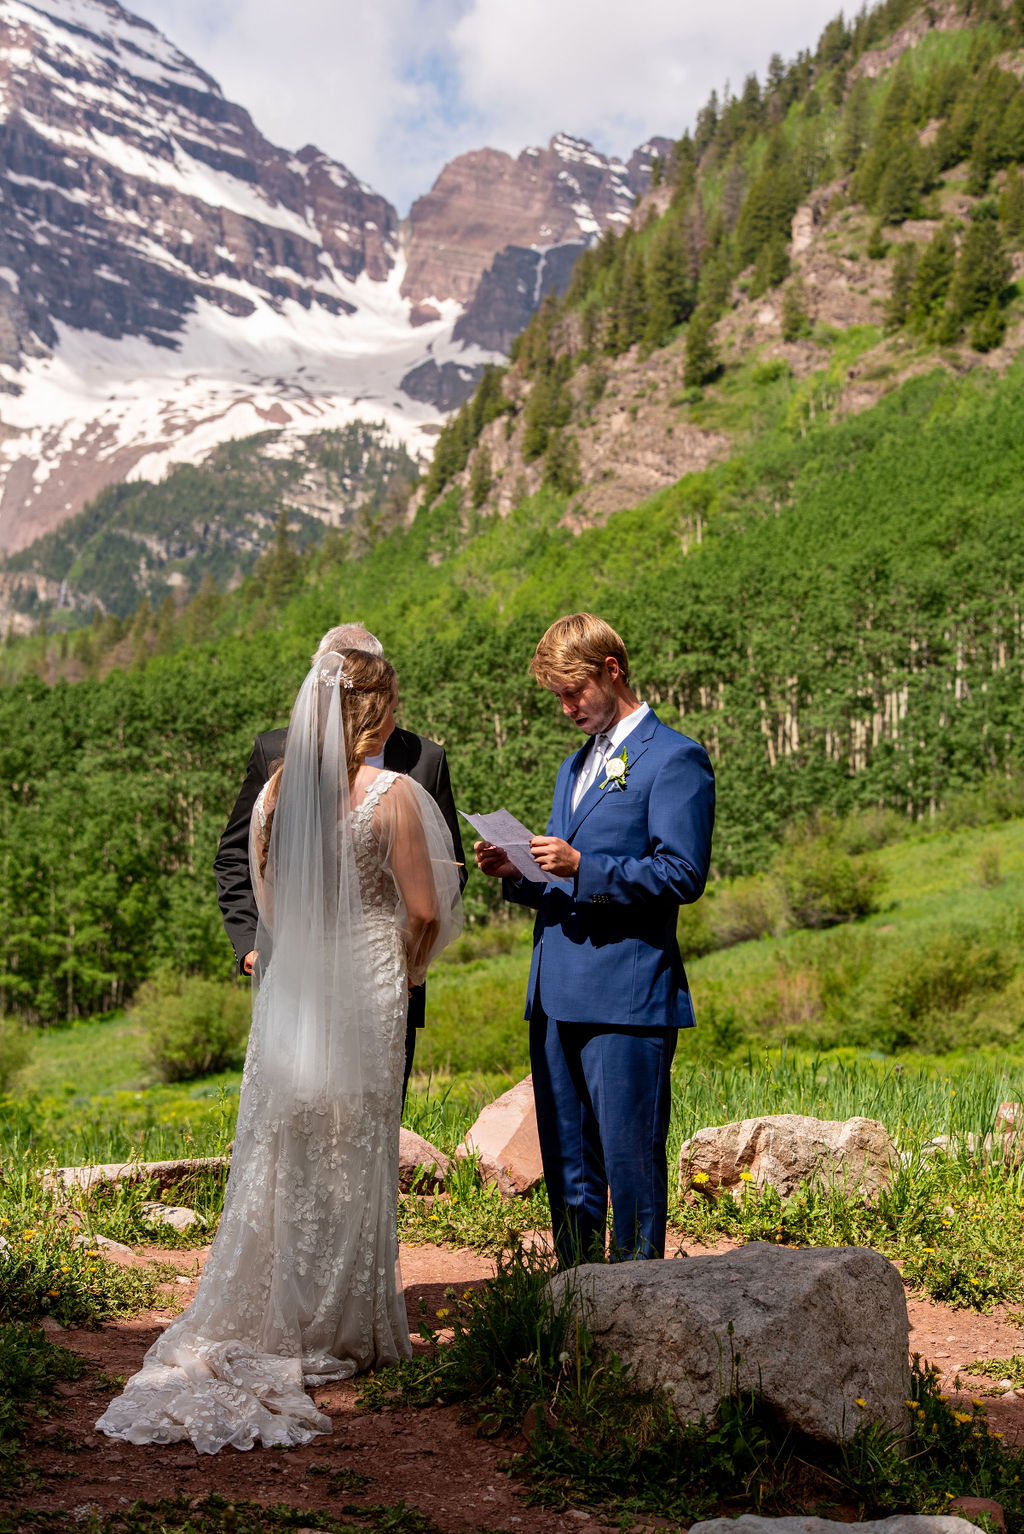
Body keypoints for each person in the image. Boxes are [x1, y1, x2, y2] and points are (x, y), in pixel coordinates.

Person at [97, 650, 463, 1453]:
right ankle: (343, 1324)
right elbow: (427, 910)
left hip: (293, 989)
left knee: (284, 1147)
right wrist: (403, 966)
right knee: (354, 1147)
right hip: (366, 984)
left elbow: (269, 895)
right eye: (389, 702)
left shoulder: (276, 791)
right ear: (371, 711)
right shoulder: (393, 795)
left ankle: (272, 1305)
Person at [475, 614, 714, 1268]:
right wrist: (519, 871)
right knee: (568, 1162)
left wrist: (584, 866)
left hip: (626, 996)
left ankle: (638, 1300)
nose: (567, 707)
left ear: (612, 670)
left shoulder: (675, 758)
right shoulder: (573, 767)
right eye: (557, 696)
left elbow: (682, 874)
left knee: (631, 1161)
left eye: (573, 690)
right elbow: (563, 879)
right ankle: (575, 1294)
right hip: (555, 992)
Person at [214, 622, 465, 1098]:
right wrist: (252, 943)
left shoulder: (424, 759)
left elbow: (447, 866)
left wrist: (407, 960)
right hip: (321, 975)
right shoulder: (275, 755)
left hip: (358, 977)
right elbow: (238, 856)